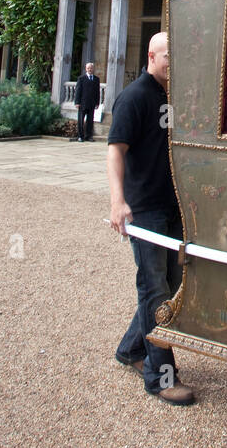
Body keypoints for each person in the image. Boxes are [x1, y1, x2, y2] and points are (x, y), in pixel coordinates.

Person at [107, 31, 195, 406]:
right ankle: (160, 378)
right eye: (168, 57)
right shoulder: (134, 97)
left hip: (170, 206)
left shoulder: (166, 97)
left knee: (170, 286)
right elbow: (114, 152)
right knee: (155, 289)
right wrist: (117, 202)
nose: (173, 64)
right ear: (151, 56)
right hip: (144, 209)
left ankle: (131, 349)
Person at [73, 62, 101, 141]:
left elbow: (97, 92)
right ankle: (80, 136)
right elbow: (78, 91)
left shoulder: (96, 79)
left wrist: (97, 102)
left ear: (93, 69)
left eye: (91, 68)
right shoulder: (81, 78)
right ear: (86, 69)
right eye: (88, 68)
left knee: (90, 121)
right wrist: (77, 102)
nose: (90, 69)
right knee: (81, 121)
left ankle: (89, 136)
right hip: (82, 103)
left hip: (92, 103)